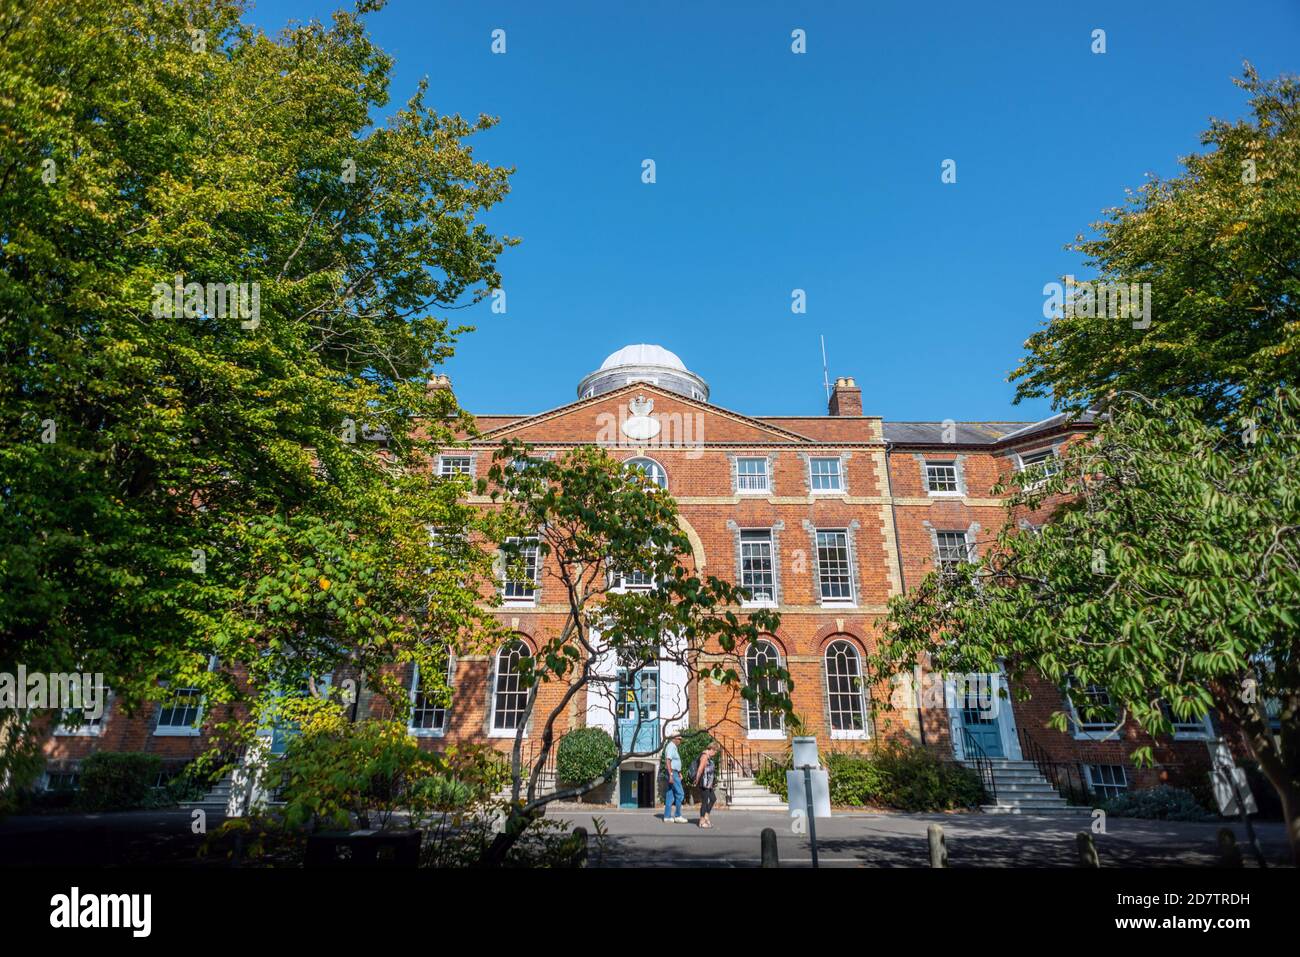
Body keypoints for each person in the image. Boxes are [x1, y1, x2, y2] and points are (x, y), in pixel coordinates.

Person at [662, 731, 686, 823]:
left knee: (670, 795)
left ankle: (667, 817)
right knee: (680, 794)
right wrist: (671, 774)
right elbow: (668, 761)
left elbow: (675, 762)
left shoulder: (673, 747)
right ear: (675, 738)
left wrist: (679, 772)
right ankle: (678, 815)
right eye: (679, 739)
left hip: (675, 772)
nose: (680, 741)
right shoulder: (671, 746)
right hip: (673, 772)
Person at [694, 742, 719, 828]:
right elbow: (700, 769)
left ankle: (706, 815)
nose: (715, 754)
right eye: (715, 751)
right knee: (704, 801)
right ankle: (701, 821)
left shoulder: (709, 757)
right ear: (712, 749)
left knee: (713, 799)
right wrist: (697, 780)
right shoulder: (704, 756)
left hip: (709, 783)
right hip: (703, 782)